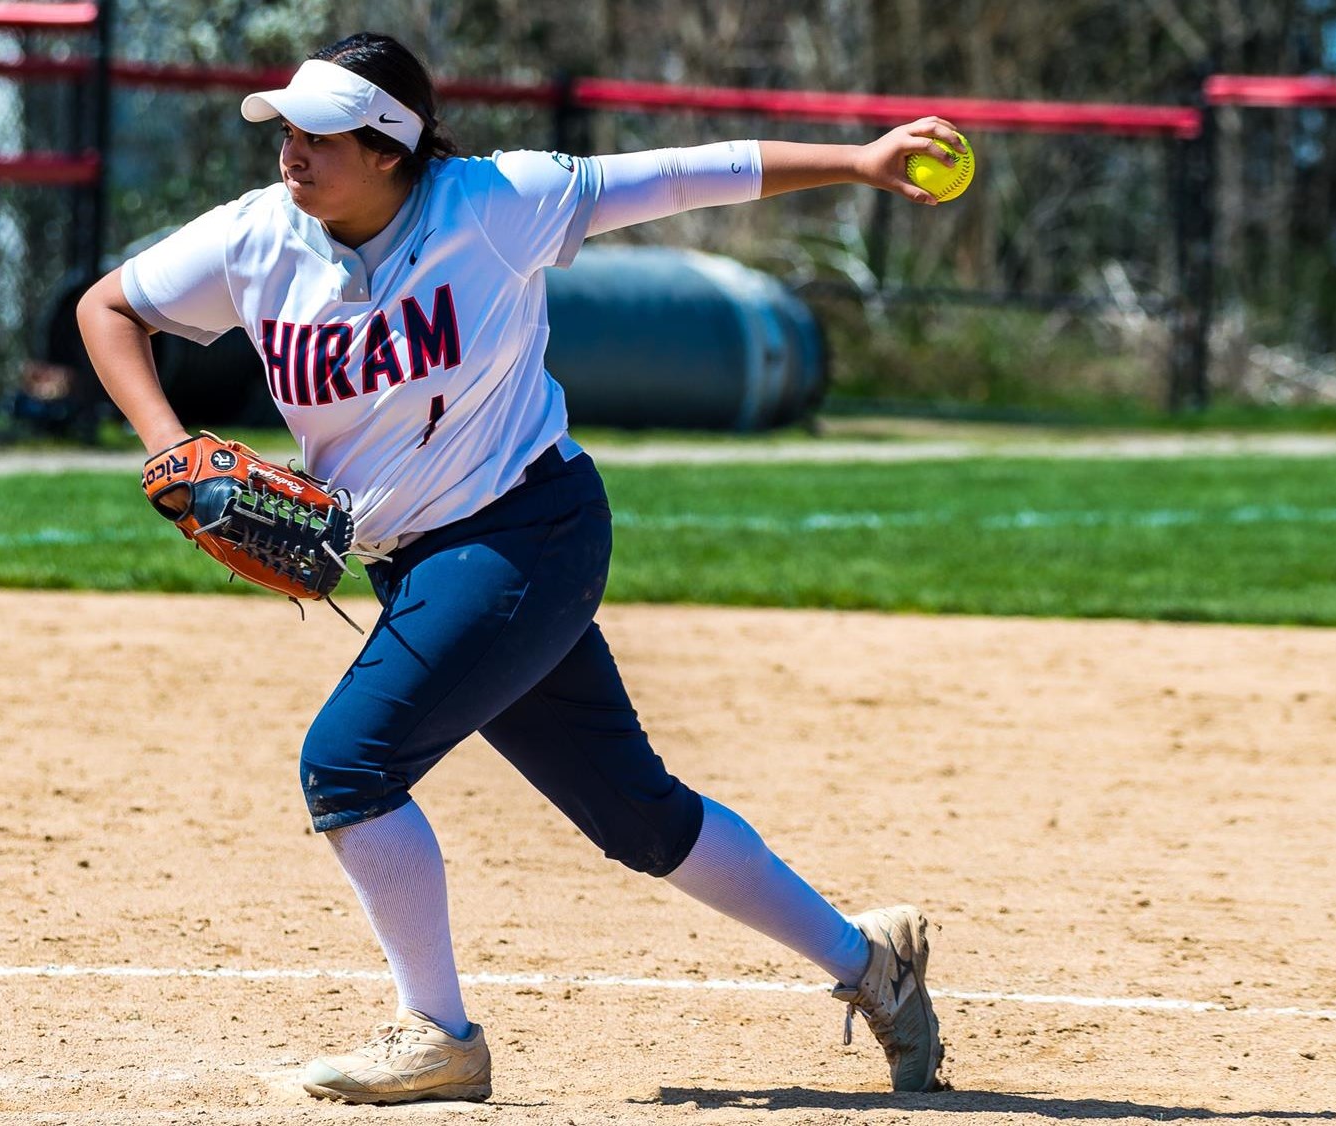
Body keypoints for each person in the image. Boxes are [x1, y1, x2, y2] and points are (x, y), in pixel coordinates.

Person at [78, 31, 962, 1105]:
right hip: (417, 564)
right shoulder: (255, 237)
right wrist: (168, 442)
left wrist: (858, 162)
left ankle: (438, 1034)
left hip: (527, 531)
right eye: (288, 131)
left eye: (321, 136)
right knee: (638, 817)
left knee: (348, 767)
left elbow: (687, 175)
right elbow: (108, 306)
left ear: (391, 148)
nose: (291, 151)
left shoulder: (496, 204)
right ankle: (873, 964)